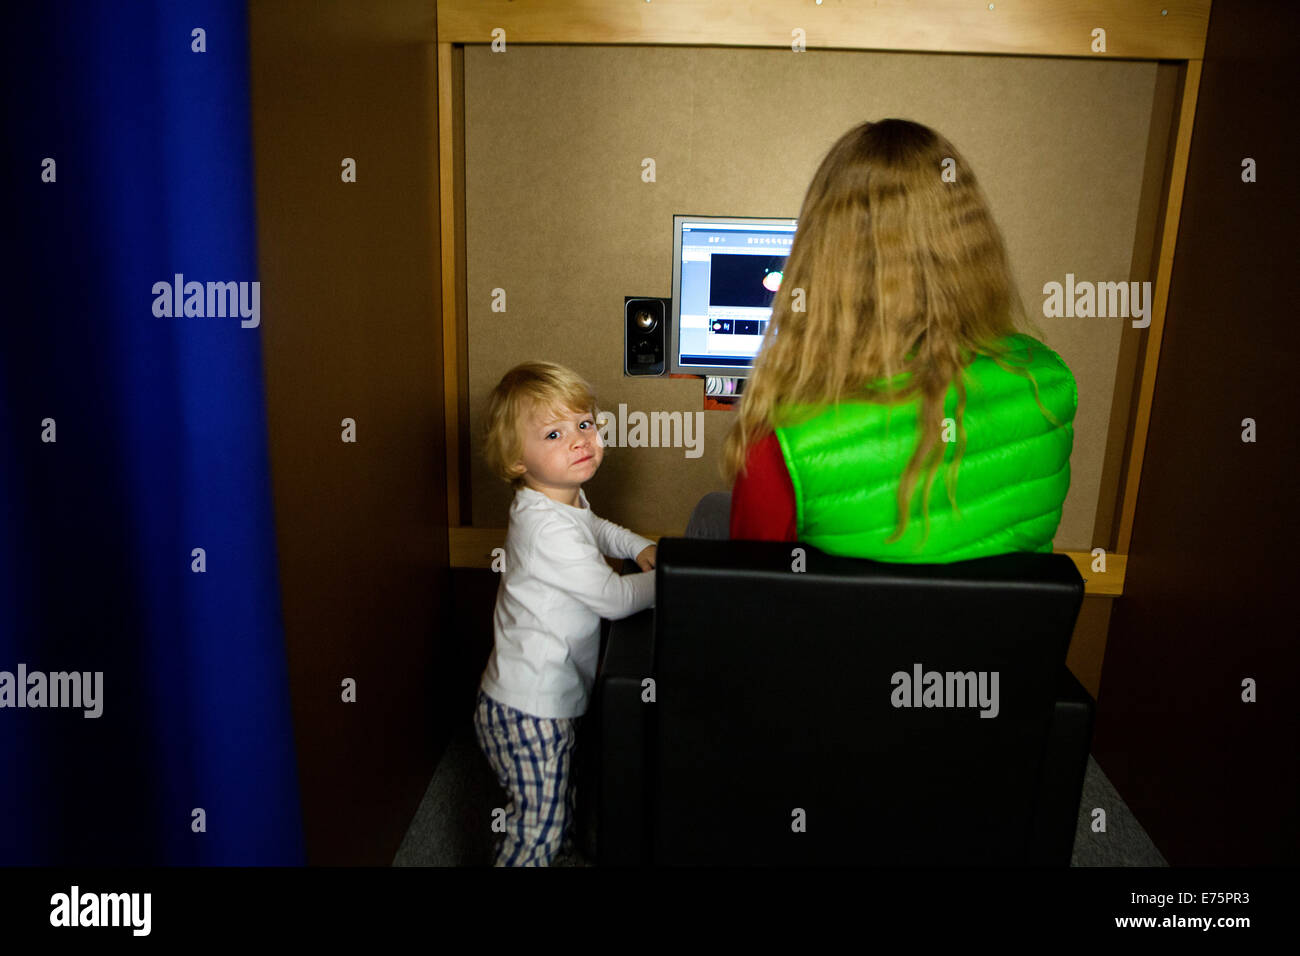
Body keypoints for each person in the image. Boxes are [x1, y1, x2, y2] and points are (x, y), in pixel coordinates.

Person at [721, 118, 1078, 561]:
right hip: (1002, 633)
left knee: (707, 514)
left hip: (837, 632)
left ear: (824, 252)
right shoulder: (1049, 382)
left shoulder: (785, 435)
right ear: (971, 243)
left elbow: (748, 597)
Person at [474, 361, 656, 865]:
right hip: (529, 707)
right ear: (516, 461)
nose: (579, 439)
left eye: (584, 424)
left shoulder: (560, 497)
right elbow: (614, 599)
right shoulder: (543, 526)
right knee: (539, 829)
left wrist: (642, 547)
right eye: (554, 433)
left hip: (548, 695)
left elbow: (596, 529)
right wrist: (675, 580)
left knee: (556, 803)